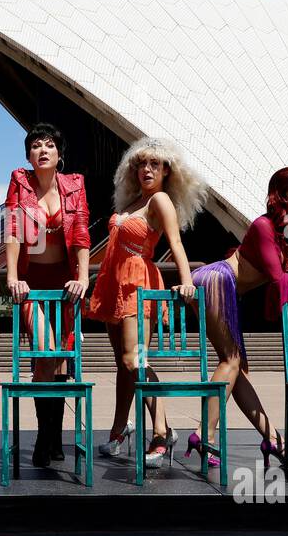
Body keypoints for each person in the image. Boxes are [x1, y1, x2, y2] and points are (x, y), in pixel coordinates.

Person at [188, 167, 288, 470]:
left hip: (232, 292)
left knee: (238, 369)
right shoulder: (264, 227)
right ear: (280, 195)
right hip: (216, 280)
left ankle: (272, 439)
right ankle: (203, 434)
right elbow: (279, 279)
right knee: (231, 362)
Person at [87, 137, 209, 469]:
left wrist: (186, 281)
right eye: (142, 164)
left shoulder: (160, 201)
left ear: (168, 170)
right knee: (124, 366)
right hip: (115, 283)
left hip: (139, 285)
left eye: (155, 164)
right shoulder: (130, 204)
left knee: (133, 360)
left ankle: (162, 430)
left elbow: (176, 243)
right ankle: (118, 429)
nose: (147, 169)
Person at [4, 122, 91, 467]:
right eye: (36, 145)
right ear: (28, 155)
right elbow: (12, 229)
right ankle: (44, 436)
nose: (43, 150)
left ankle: (55, 438)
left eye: (50, 145)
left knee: (59, 360)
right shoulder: (20, 181)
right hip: (32, 282)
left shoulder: (75, 185)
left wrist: (83, 278)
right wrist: (13, 277)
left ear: (59, 154)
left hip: (65, 282)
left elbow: (81, 232)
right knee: (45, 349)